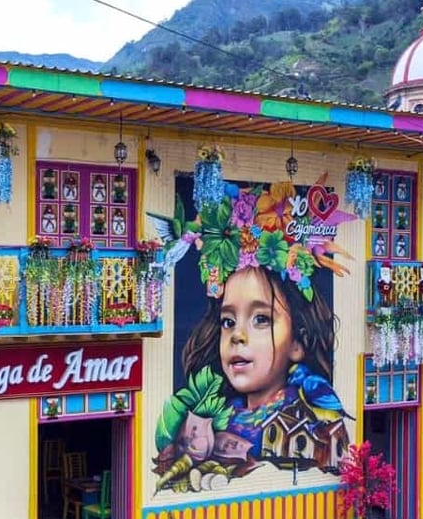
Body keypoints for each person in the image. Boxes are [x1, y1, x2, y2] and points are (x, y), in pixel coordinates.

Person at [151, 178, 353, 494]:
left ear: (298, 343)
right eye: (228, 321)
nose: (238, 336)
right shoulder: (222, 413)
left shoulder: (306, 405)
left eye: (261, 319)